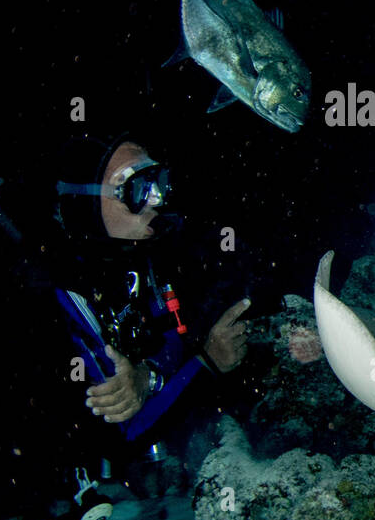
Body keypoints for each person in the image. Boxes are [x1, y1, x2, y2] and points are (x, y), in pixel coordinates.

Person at [49, 132, 250, 440]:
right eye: (137, 188)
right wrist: (206, 364)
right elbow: (120, 435)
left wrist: (148, 377)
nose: (156, 200)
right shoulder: (57, 289)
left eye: (158, 182)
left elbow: (172, 339)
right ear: (85, 198)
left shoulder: (139, 252)